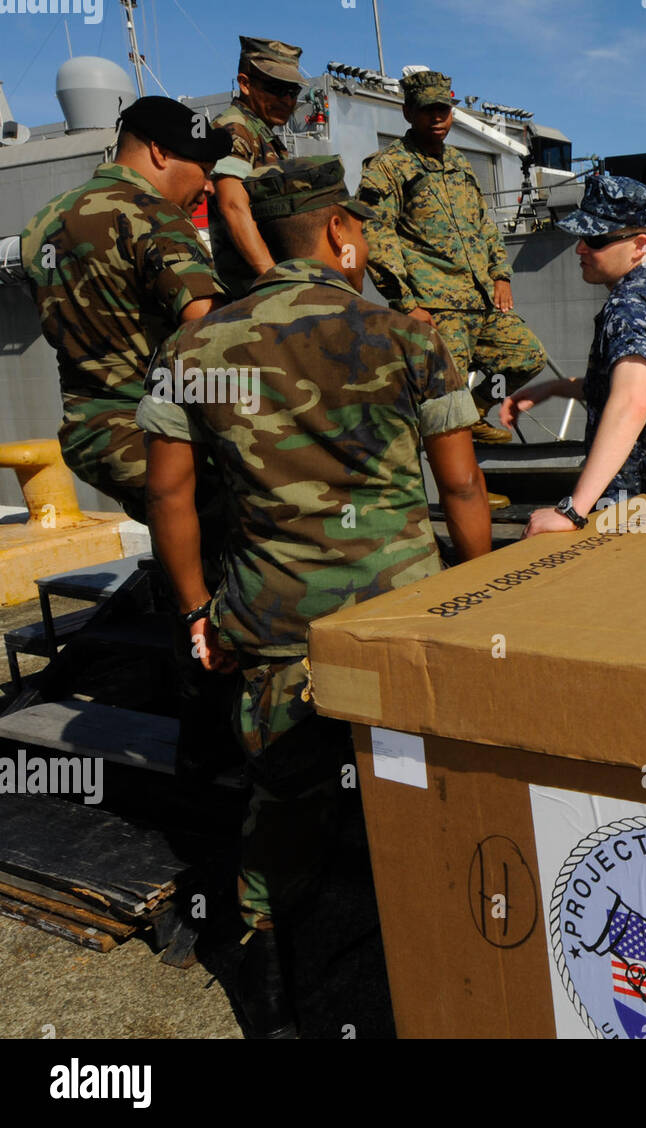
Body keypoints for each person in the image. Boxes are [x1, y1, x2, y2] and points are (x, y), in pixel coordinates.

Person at [138, 155, 492, 1037]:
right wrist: (483, 601)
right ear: (340, 232)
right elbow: (462, 493)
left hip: (272, 627)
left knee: (280, 809)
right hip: (399, 627)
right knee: (421, 804)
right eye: (360, 227)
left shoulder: (196, 348)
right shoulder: (405, 334)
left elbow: (170, 498)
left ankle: (269, 1003)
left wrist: (193, 615)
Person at [20, 96, 231, 521]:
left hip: (88, 435)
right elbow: (210, 332)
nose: (209, 186)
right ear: (160, 152)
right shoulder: (154, 215)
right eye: (204, 171)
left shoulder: (43, 221)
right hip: (154, 435)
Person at [500, 175, 646, 539]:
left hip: (644, 518)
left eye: (596, 239)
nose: (580, 249)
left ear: (639, 245)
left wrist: (572, 510)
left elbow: (632, 403)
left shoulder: (628, 306)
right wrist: (554, 388)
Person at [359, 69, 546, 452]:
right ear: (409, 112)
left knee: (526, 356)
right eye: (428, 110)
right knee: (445, 408)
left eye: (444, 109)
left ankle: (479, 411)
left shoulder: (459, 163)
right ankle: (457, 498)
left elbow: (482, 223)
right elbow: (376, 235)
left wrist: (500, 273)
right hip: (436, 306)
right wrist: (406, 303)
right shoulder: (389, 166)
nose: (438, 118)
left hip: (480, 299)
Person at [209, 37, 304, 297]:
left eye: (293, 92)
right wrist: (274, 280)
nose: (286, 100)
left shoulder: (262, 134)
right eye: (276, 88)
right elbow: (232, 206)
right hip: (253, 289)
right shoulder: (235, 129)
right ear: (245, 84)